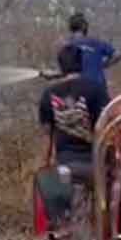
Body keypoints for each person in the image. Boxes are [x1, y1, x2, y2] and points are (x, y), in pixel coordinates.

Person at [38, 43, 109, 182]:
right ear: (81, 63)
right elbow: (108, 126)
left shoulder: (49, 94)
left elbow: (47, 136)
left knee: (70, 201)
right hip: (96, 164)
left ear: (61, 66)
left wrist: (45, 166)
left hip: (65, 167)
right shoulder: (95, 89)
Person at [64, 12, 121, 93]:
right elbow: (117, 55)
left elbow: (65, 70)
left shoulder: (67, 47)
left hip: (78, 89)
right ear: (85, 27)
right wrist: (104, 65)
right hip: (98, 87)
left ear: (71, 28)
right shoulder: (96, 42)